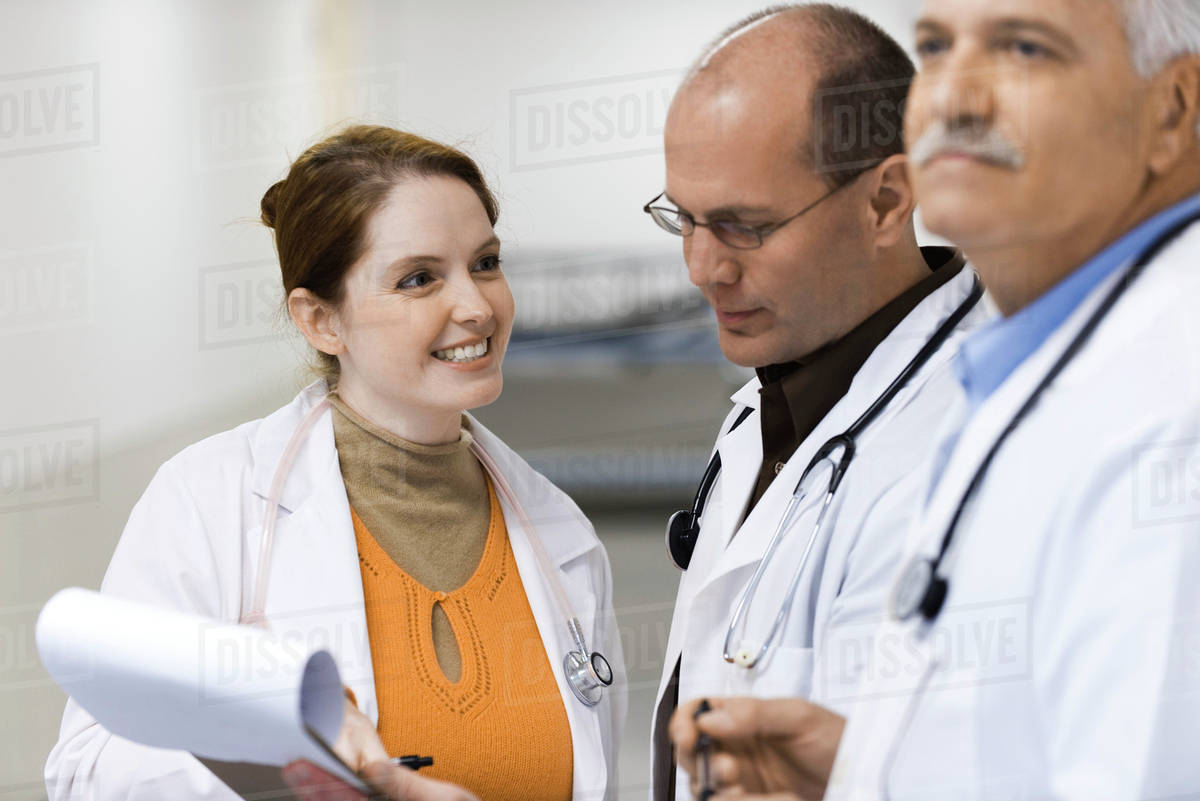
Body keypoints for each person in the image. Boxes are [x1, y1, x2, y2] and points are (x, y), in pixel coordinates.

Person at [670, 0, 1200, 799]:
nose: (954, 98)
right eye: (937, 46)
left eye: (1024, 48)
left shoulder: (1169, 404)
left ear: (1174, 108)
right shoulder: (1029, 366)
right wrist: (873, 773)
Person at [44, 125, 626, 801]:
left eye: (487, 263)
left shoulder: (561, 532)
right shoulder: (209, 501)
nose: (476, 306)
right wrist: (285, 761)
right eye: (419, 278)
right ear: (321, 320)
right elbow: (86, 770)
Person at [644, 5, 991, 800]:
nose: (701, 268)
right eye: (684, 219)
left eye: (743, 226)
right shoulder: (769, 401)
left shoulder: (966, 446)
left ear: (886, 199)